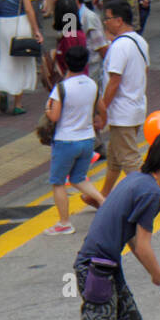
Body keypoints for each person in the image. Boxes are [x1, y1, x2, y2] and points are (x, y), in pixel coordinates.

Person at [73, 131, 160, 320]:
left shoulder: (136, 179)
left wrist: (155, 274)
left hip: (106, 265)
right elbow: (143, 246)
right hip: (96, 267)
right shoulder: (151, 193)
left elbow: (131, 238)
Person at [43, 45, 106, 236]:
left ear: (66, 63)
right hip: (87, 139)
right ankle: (104, 203)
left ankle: (64, 223)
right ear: (85, 63)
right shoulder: (92, 84)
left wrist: (47, 109)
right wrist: (102, 121)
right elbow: (102, 107)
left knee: (58, 182)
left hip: (65, 141)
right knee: (78, 178)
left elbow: (54, 116)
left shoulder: (61, 88)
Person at [96, 0, 149, 198]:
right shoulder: (140, 41)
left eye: (108, 18)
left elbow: (114, 81)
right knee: (115, 157)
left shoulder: (119, 46)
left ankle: (146, 195)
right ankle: (102, 195)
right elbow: (144, 71)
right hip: (136, 107)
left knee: (130, 159)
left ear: (119, 20)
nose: (105, 22)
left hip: (122, 112)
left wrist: (102, 109)